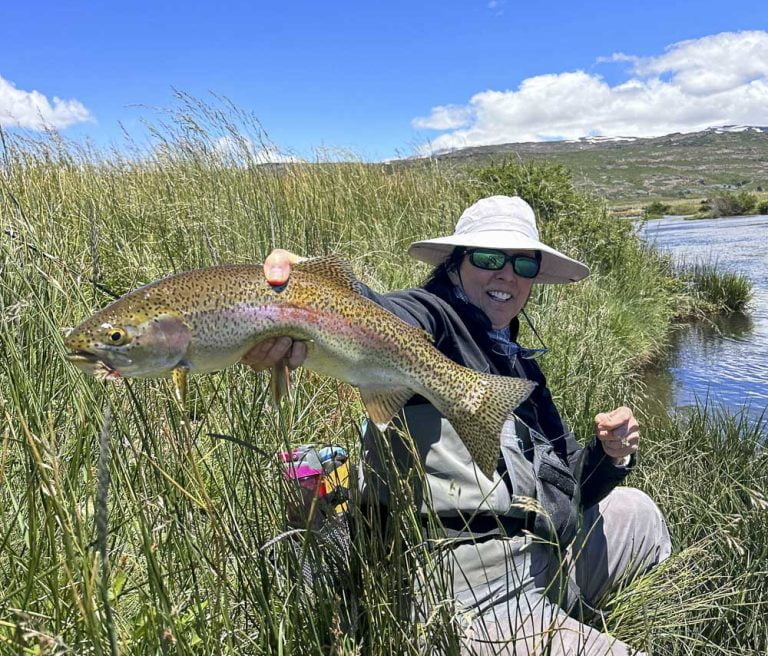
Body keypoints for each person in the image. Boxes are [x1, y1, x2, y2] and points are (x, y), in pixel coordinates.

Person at [243, 195, 671, 655]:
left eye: (522, 264)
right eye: (488, 258)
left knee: (637, 510)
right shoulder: (431, 319)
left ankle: (569, 619)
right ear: (454, 263)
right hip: (467, 589)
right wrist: (314, 293)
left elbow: (567, 484)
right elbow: (384, 313)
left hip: (539, 552)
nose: (506, 274)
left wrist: (611, 454)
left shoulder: (519, 364)